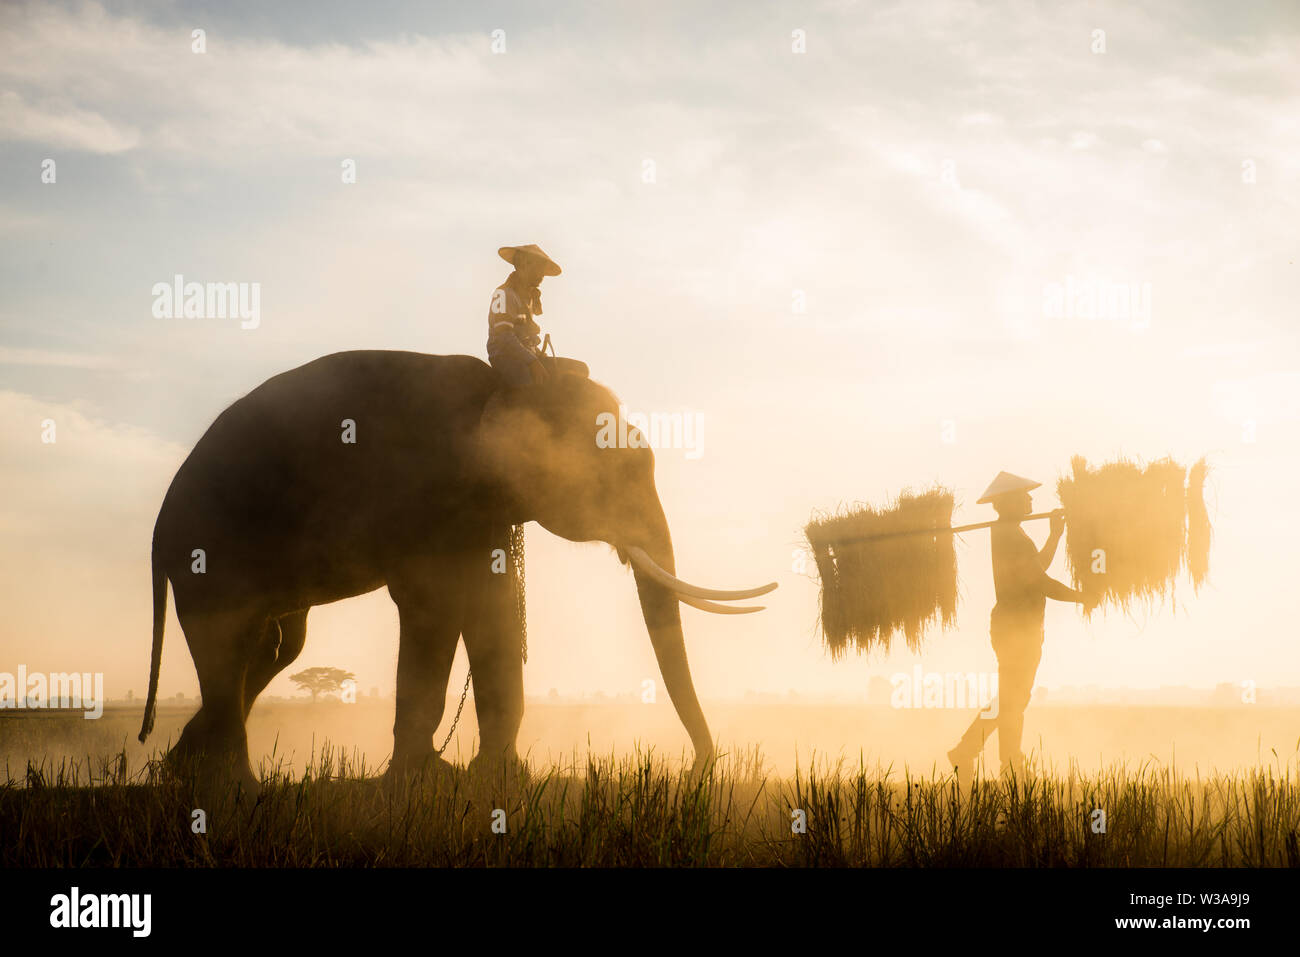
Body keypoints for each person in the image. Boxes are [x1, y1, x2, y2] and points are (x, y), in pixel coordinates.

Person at [947, 471, 1085, 778]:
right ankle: (991, 758)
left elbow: (1036, 570)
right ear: (1009, 503)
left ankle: (1000, 760)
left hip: (1018, 627)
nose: (1031, 500)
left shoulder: (1011, 533)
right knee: (1013, 698)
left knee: (1013, 698)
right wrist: (1080, 597)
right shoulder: (1011, 536)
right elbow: (1040, 581)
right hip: (1016, 629)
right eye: (1025, 496)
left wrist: (1054, 535)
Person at [486, 244, 588, 386]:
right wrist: (533, 361)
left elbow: (525, 337)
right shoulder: (503, 294)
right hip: (506, 358)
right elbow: (504, 338)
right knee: (532, 388)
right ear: (524, 265)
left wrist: (537, 355)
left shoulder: (528, 297)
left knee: (579, 370)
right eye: (539, 268)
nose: (542, 275)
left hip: (528, 355)